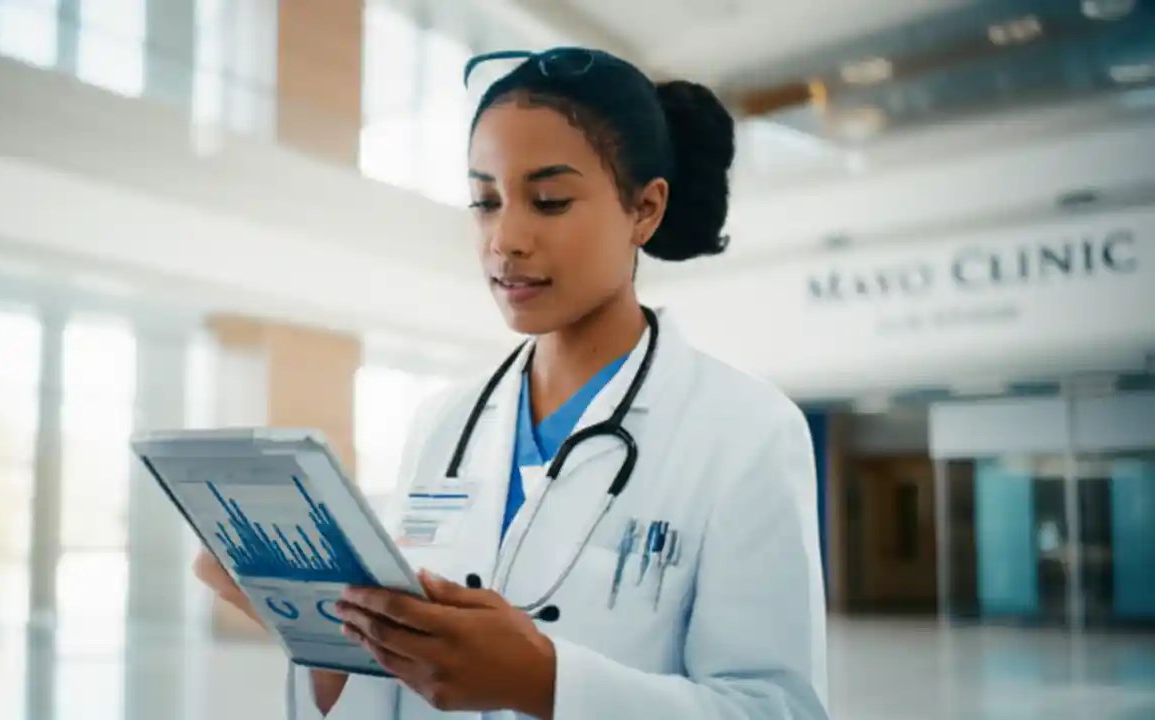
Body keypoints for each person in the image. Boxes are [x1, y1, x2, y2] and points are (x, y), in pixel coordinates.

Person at [195, 46, 828, 720]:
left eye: (549, 201)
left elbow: (776, 710)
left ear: (644, 209)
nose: (506, 239)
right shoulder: (444, 422)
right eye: (484, 201)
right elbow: (396, 696)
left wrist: (546, 684)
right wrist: (323, 635)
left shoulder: (747, 432)